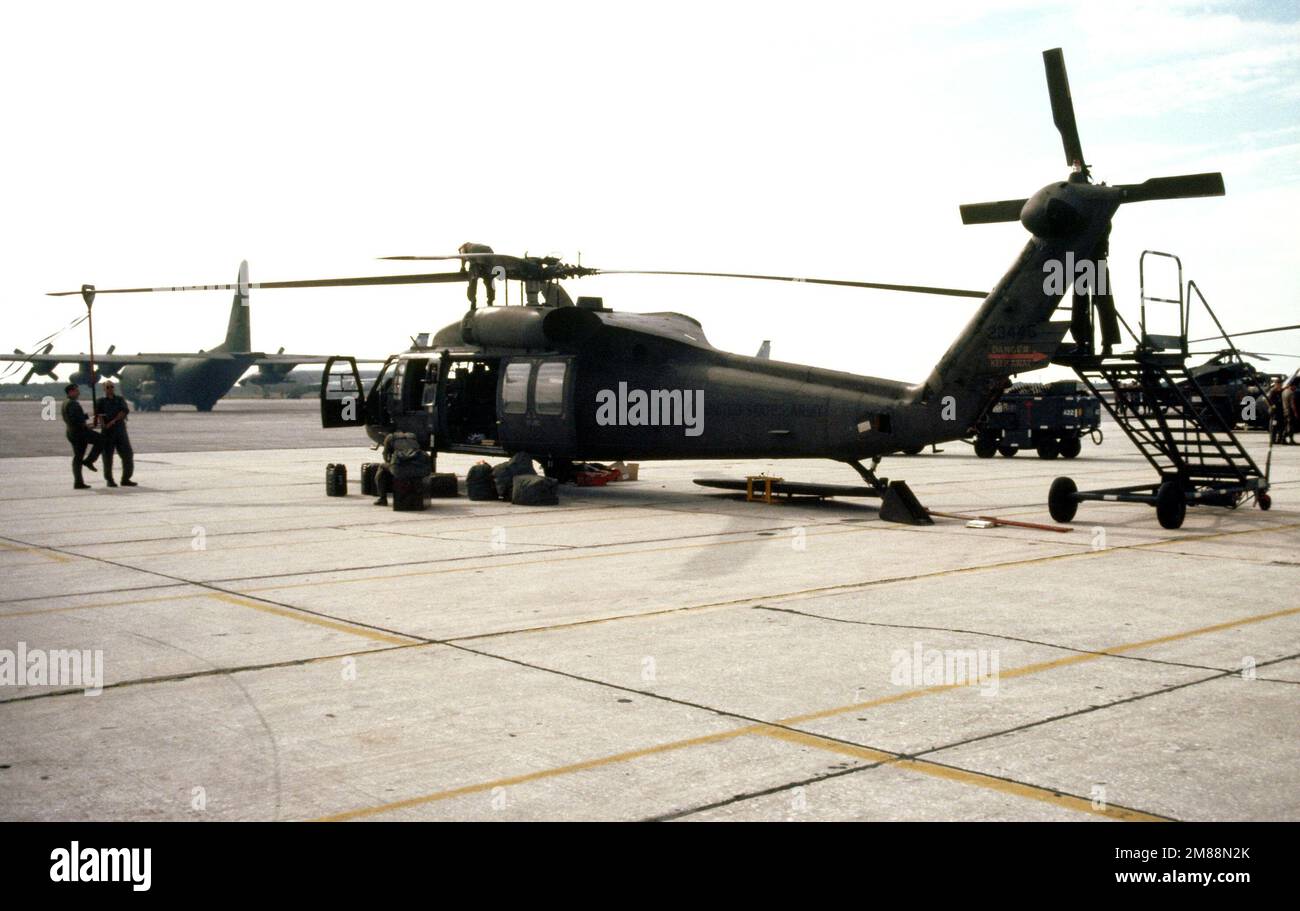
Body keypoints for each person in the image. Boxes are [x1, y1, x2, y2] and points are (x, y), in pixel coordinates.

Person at [372, 431, 431, 506]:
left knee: (382, 467)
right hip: (419, 469)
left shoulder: (390, 437)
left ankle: (382, 498)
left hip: (399, 470)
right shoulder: (412, 436)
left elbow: (385, 456)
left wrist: (391, 463)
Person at [94, 381, 136, 487]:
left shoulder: (119, 399)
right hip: (107, 432)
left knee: (127, 454)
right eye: (107, 387)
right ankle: (109, 479)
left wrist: (114, 421)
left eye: (112, 387)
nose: (110, 389)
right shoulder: (101, 401)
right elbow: (98, 414)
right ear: (104, 389)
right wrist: (104, 424)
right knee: (107, 457)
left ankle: (126, 478)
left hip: (120, 430)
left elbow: (124, 411)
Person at [61, 383, 103, 489]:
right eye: (76, 390)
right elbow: (77, 420)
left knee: (78, 457)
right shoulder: (73, 404)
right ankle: (89, 461)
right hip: (80, 433)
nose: (78, 392)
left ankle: (78, 482)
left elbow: (77, 417)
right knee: (101, 440)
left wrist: (90, 415)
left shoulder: (65, 403)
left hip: (72, 432)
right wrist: (87, 426)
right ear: (71, 392)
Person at [458, 241, 497, 308]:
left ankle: (473, 300)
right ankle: (490, 300)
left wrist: (462, 268)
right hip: (489, 253)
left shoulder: (464, 247)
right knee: (489, 279)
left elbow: (463, 256)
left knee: (473, 279)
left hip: (476, 258)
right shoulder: (475, 245)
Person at [1266, 378, 1285, 445]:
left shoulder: (1281, 391)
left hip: (1280, 411)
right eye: (1278, 384)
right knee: (1274, 426)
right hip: (1274, 412)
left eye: (1280, 384)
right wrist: (1271, 406)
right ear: (1276, 384)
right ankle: (1272, 439)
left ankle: (1279, 439)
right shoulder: (1272, 391)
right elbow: (1266, 400)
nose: (1279, 385)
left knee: (1281, 426)